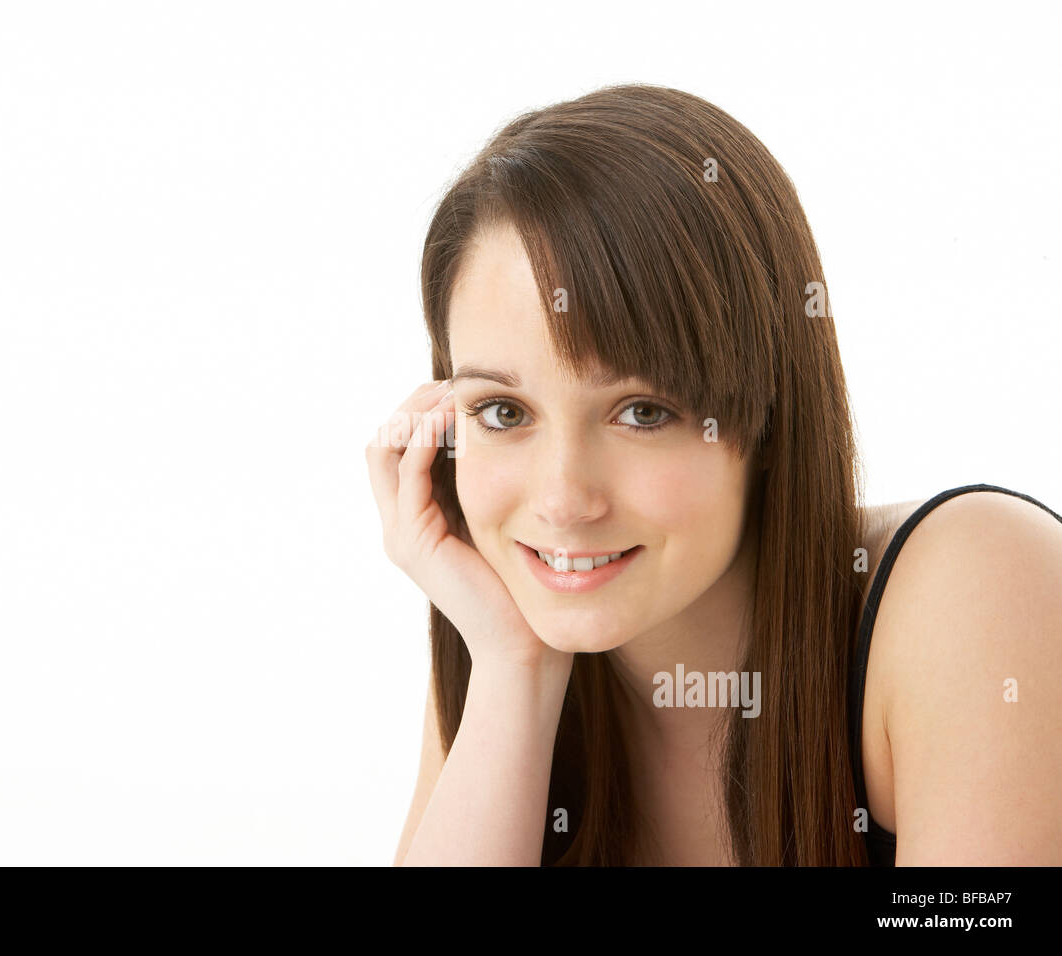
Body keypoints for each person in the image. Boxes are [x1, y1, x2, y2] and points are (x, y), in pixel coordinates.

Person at [365, 83, 1062, 866]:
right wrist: (512, 675)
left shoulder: (978, 588)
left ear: (767, 416)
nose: (562, 501)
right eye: (503, 412)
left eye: (642, 413)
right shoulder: (504, 632)